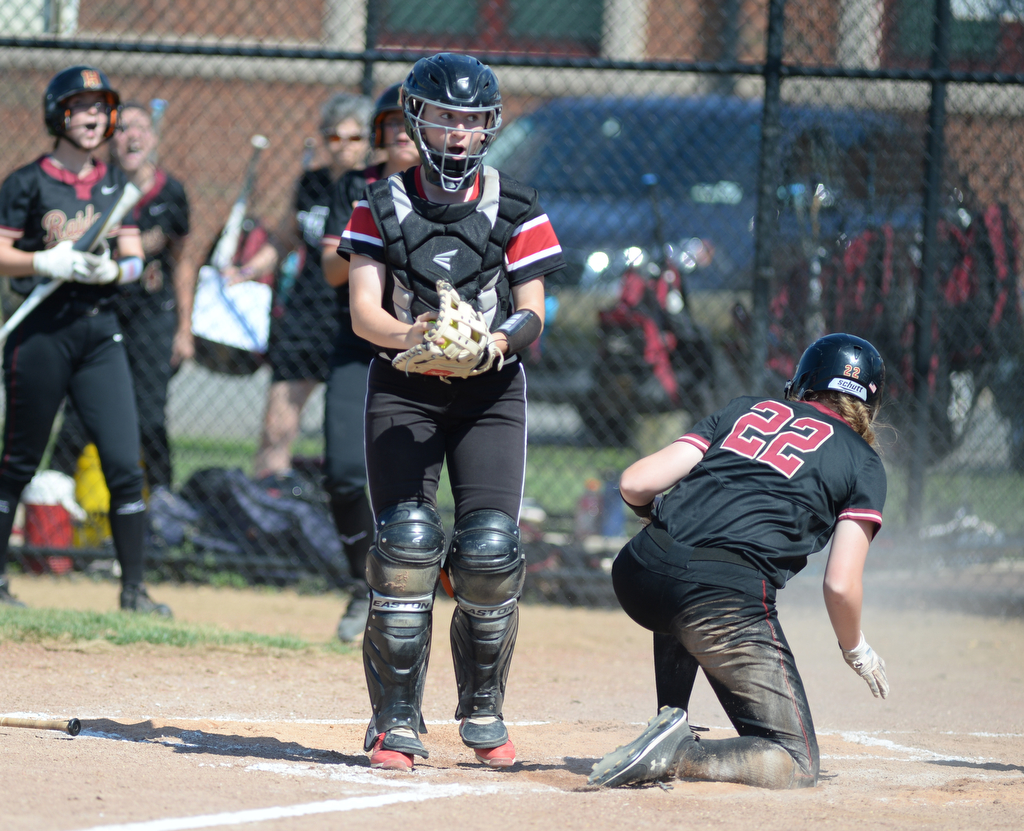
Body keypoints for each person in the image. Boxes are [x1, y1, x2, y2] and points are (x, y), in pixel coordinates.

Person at [339, 53, 565, 770]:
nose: (459, 133)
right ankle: (395, 721)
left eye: (472, 120)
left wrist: (490, 342)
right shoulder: (378, 203)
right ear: (417, 117)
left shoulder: (518, 204)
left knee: (490, 551)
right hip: (405, 386)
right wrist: (421, 336)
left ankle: (483, 711)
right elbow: (363, 314)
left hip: (489, 391)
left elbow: (533, 313)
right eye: (445, 117)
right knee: (406, 543)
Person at [586, 333, 889, 790]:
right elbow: (841, 586)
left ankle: (671, 718)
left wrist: (663, 525)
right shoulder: (864, 461)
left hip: (638, 573)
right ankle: (679, 752)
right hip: (719, 605)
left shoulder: (744, 409)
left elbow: (635, 483)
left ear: (804, 382)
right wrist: (856, 649)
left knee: (685, 569)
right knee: (797, 763)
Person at [0, 66, 170, 615]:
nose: (94, 118)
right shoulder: (27, 182)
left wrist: (112, 273)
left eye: (101, 108)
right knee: (20, 460)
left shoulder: (115, 184)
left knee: (124, 461)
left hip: (99, 331)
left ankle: (133, 591)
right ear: (58, 114)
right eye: (81, 107)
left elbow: (133, 256)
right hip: (40, 333)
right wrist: (41, 259)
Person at [50, 100, 194, 499]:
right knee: (79, 416)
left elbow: (182, 263)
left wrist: (184, 327)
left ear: (153, 137)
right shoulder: (96, 187)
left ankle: (165, 507)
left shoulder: (172, 192)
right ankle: (49, 507)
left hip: (152, 316)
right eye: (124, 129)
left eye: (141, 128)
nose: (133, 136)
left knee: (148, 418)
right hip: (101, 312)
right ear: (111, 141)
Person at [320, 83, 420, 643]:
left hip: (426, 351)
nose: (402, 134)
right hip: (360, 344)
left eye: (412, 123)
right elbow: (331, 270)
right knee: (340, 473)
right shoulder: (357, 189)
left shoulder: (453, 193)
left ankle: (406, 588)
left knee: (412, 481)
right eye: (392, 124)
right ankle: (364, 586)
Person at [251, 93, 373, 483]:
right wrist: (248, 269)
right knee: (276, 425)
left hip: (354, 316)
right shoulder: (312, 183)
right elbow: (285, 238)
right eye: (335, 138)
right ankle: (268, 503)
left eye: (355, 138)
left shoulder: (378, 188)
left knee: (345, 433)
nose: (344, 147)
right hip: (305, 311)